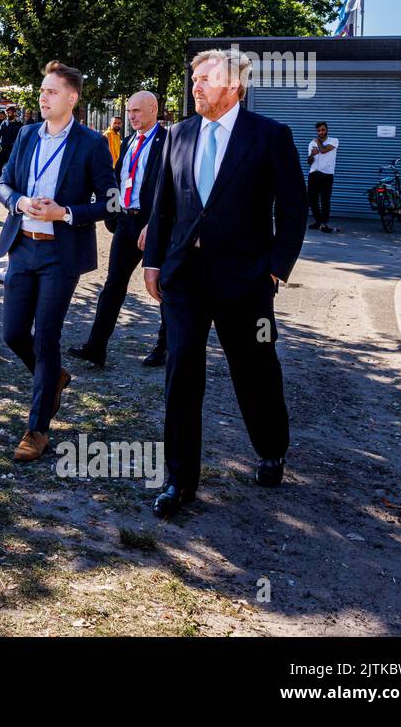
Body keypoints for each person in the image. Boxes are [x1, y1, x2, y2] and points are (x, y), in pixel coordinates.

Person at [142, 48, 307, 518]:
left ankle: (271, 449)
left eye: (205, 79)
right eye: (194, 78)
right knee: (181, 373)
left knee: (254, 369)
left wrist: (275, 268)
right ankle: (179, 481)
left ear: (234, 86)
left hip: (246, 281)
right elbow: (163, 205)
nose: (195, 86)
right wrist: (153, 262)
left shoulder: (269, 136)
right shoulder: (178, 134)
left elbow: (293, 209)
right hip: (184, 279)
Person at [0, 61, 116, 464]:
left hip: (60, 254)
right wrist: (19, 202)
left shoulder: (92, 143)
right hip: (22, 247)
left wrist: (64, 213)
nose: (43, 97)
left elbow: (110, 203)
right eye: (42, 90)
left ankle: (37, 429)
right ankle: (55, 379)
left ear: (72, 98)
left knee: (46, 338)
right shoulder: (26, 134)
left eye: (51, 91)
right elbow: (3, 182)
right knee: (14, 333)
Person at [68, 91, 168, 369]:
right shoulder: (128, 141)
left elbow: (171, 187)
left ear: (153, 110)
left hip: (154, 225)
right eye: (129, 111)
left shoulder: (169, 142)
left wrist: (155, 223)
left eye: (137, 111)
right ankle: (96, 347)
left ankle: (164, 347)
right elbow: (119, 178)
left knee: (162, 287)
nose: (131, 116)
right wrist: (113, 213)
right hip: (126, 222)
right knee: (113, 286)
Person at [306, 121, 338, 233]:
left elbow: (323, 150)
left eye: (323, 130)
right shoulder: (311, 143)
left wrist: (318, 142)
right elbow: (309, 161)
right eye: (319, 130)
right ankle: (318, 221)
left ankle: (324, 223)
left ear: (327, 130)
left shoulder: (334, 141)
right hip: (314, 174)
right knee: (312, 199)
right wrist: (312, 154)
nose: (321, 132)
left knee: (325, 200)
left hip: (327, 175)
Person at [0, 105, 22, 190]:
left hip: (13, 149)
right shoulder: (4, 123)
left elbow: (21, 137)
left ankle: (10, 187)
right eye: (7, 113)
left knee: (11, 168)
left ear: (14, 113)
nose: (8, 114)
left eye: (9, 112)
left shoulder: (19, 124)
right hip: (2, 148)